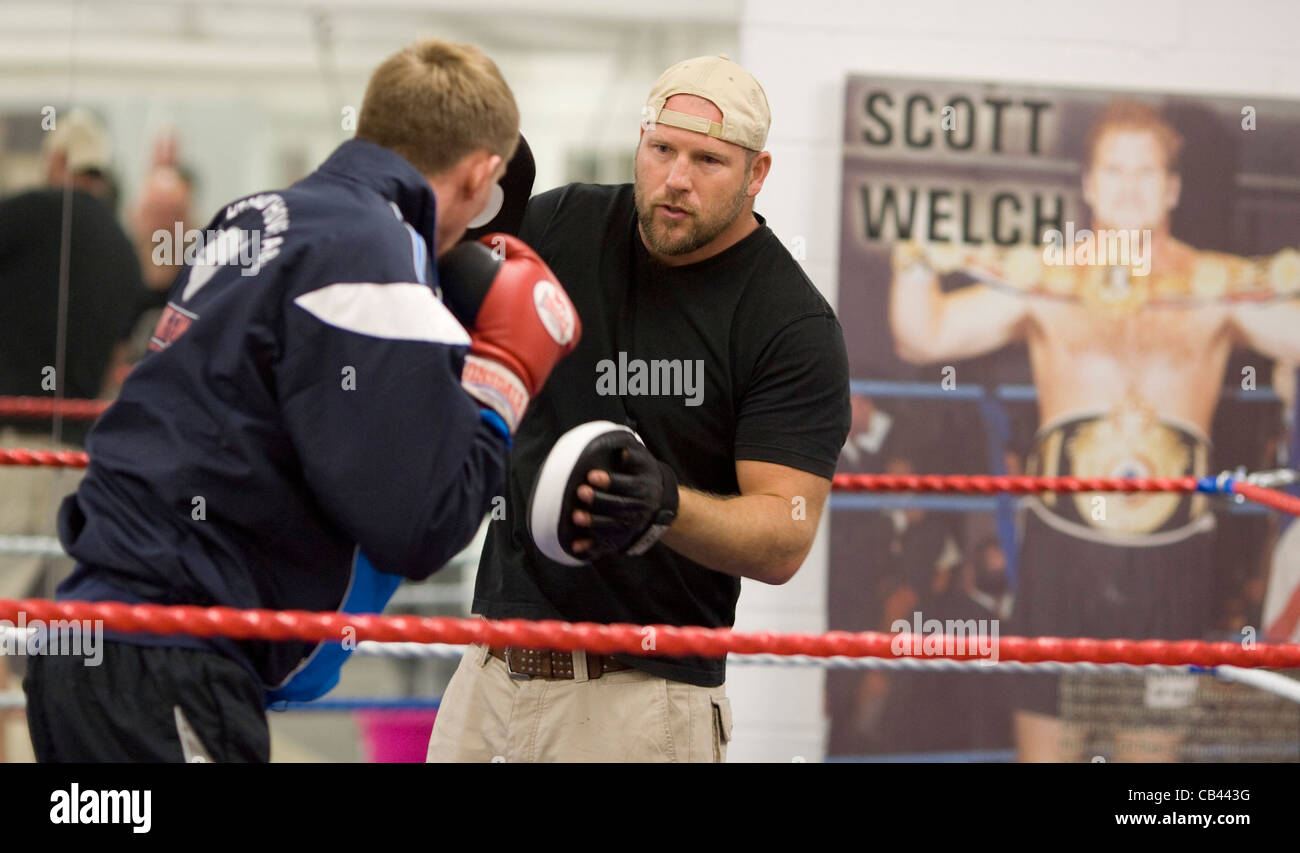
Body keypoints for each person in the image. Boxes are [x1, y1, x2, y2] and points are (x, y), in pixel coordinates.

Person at [22, 38, 579, 762]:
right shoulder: (377, 252)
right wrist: (502, 376)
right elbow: (421, 523)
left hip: (87, 648)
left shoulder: (258, 216)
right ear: (481, 174)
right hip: (170, 667)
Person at [427, 54, 851, 763]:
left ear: (758, 173)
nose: (676, 179)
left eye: (708, 160)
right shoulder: (560, 224)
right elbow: (435, 297)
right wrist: (462, 218)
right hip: (491, 673)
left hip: (640, 700)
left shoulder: (789, 322)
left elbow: (784, 533)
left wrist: (664, 505)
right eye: (662, 150)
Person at [888, 99, 1300, 760]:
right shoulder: (1046, 283)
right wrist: (913, 257)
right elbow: (922, 335)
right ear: (1088, 183)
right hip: (1061, 555)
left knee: (1149, 773)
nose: (1130, 186)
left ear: (1172, 187)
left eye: (1146, 171)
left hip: (1175, 558)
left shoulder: (1213, 285)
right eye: (1114, 169)